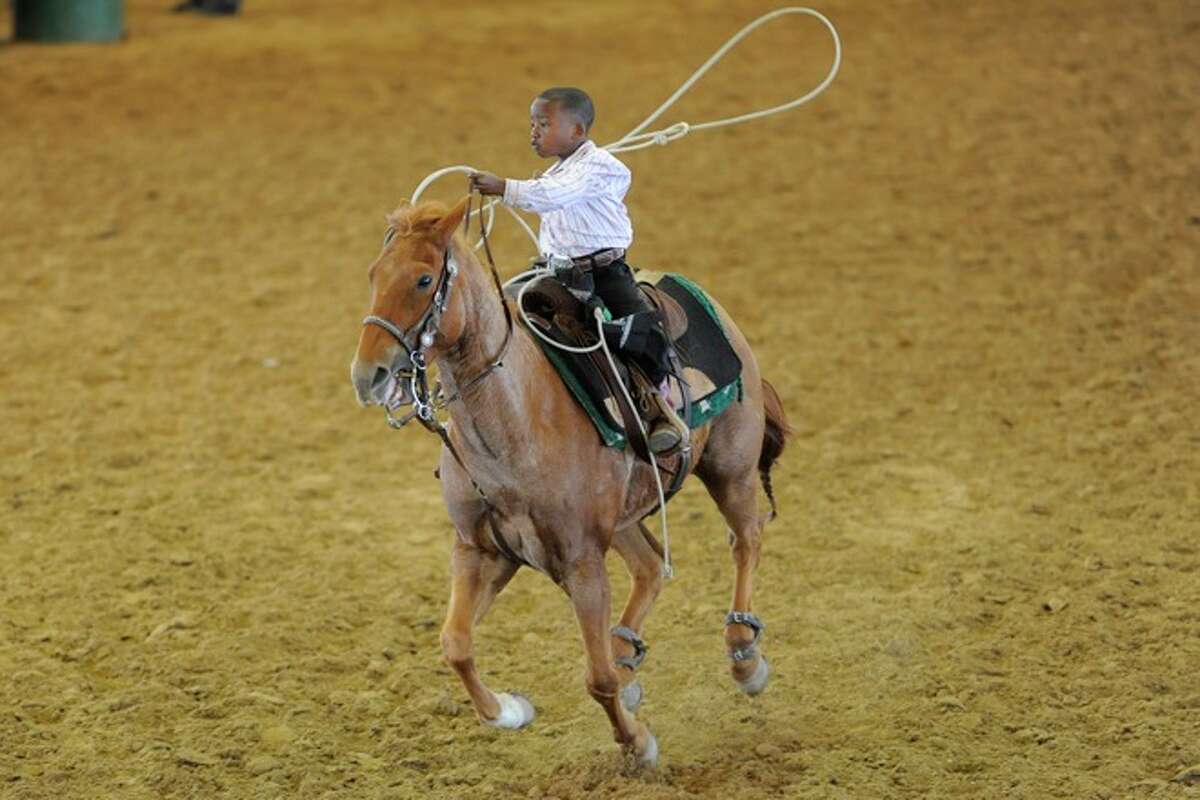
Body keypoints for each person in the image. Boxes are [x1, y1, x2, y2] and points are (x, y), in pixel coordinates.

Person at [469, 87, 687, 455]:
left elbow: (553, 196)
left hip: (605, 274)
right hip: (557, 272)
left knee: (639, 333)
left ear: (577, 131)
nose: (534, 132)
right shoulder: (559, 172)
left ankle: (658, 407)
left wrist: (503, 187)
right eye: (532, 124)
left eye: (543, 124)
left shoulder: (600, 168)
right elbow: (550, 192)